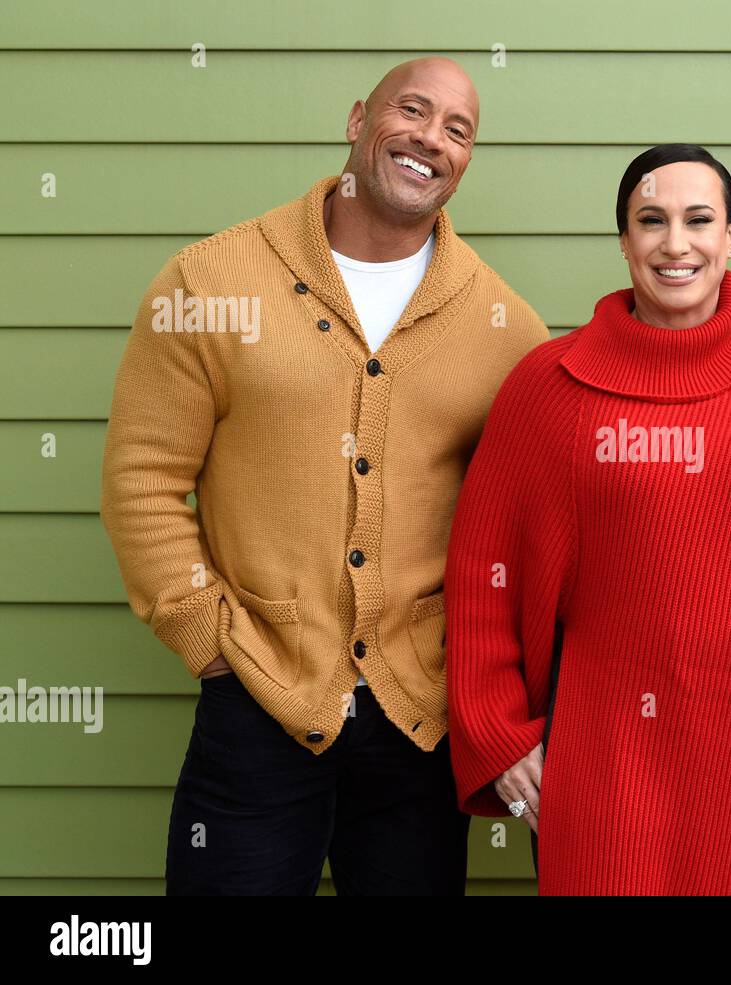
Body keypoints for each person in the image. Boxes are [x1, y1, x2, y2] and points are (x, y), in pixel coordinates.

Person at [100, 57, 549, 894]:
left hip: (419, 721)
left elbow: (529, 526)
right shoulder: (212, 281)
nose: (431, 138)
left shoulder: (503, 325)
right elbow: (142, 479)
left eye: (457, 130)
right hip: (257, 698)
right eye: (411, 110)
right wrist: (209, 641)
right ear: (356, 120)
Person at [445, 144, 731, 895]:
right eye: (651, 221)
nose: (676, 243)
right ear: (624, 240)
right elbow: (482, 579)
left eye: (699, 220)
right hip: (604, 761)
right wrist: (501, 739)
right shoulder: (546, 387)